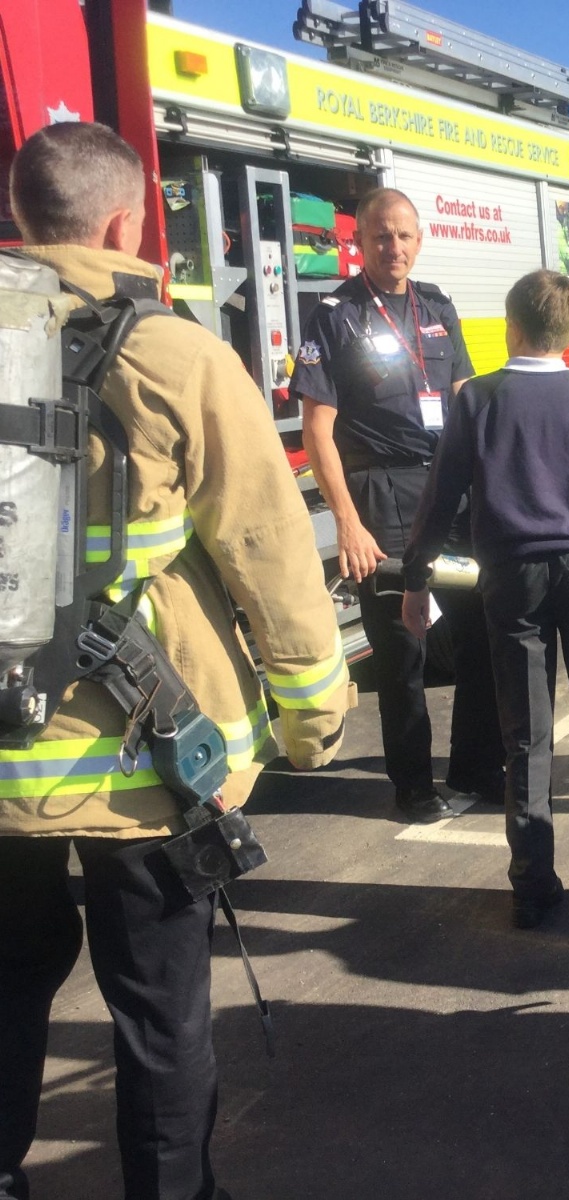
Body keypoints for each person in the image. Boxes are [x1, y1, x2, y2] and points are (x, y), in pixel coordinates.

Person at [0, 122, 350, 1200]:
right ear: (125, 223)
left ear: (22, 218)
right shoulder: (178, 354)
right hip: (147, 766)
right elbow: (268, 554)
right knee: (158, 1015)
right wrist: (312, 716)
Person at [399, 269, 569, 929]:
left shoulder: (477, 399)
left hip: (512, 574)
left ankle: (532, 884)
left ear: (510, 327)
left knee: (525, 735)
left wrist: (416, 575)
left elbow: (442, 496)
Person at [291, 186, 501, 821]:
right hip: (380, 501)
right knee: (401, 652)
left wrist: (489, 486)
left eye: (404, 235)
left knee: (477, 638)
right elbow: (316, 430)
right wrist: (347, 523)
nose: (394, 247)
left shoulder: (437, 306)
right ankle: (412, 786)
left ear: (419, 239)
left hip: (450, 496)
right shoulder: (335, 315)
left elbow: (464, 399)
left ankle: (473, 769)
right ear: (359, 242)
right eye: (381, 236)